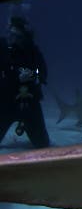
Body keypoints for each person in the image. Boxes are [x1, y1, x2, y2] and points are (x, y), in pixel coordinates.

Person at [0, 16, 50, 148]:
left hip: (29, 103)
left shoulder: (33, 52)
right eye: (10, 34)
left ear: (25, 37)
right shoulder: (3, 49)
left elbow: (43, 75)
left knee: (42, 144)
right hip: (5, 103)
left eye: (17, 36)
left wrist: (33, 75)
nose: (13, 39)